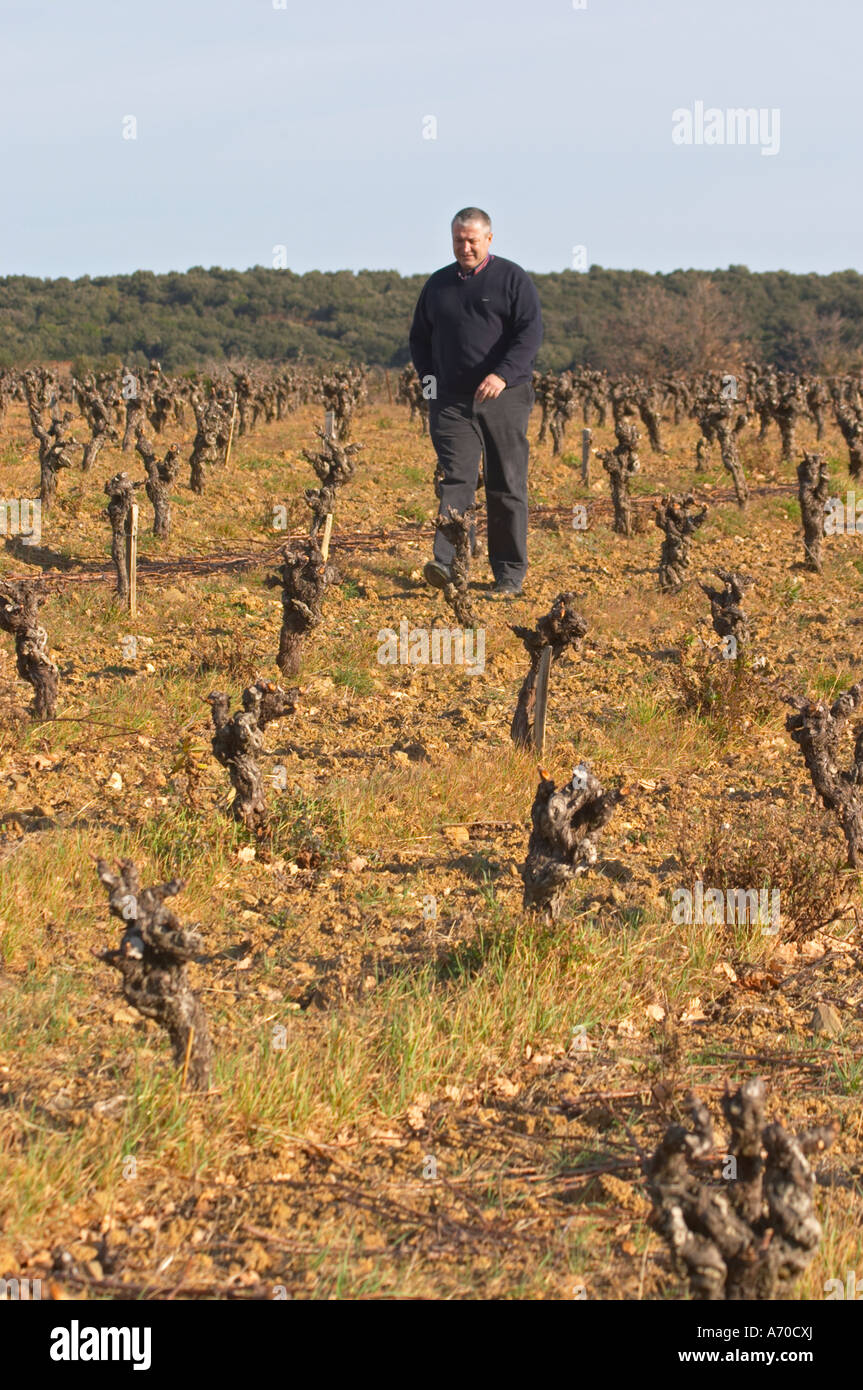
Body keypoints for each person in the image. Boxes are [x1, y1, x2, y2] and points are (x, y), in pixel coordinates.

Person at [408, 207, 543, 599]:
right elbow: (420, 339)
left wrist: (501, 374)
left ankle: (508, 574)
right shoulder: (437, 286)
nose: (464, 247)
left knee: (506, 483)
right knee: (457, 479)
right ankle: (447, 563)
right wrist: (430, 386)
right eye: (457, 240)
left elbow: (529, 334)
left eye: (472, 240)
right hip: (450, 400)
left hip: (506, 395)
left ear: (489, 239)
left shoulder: (512, 280)